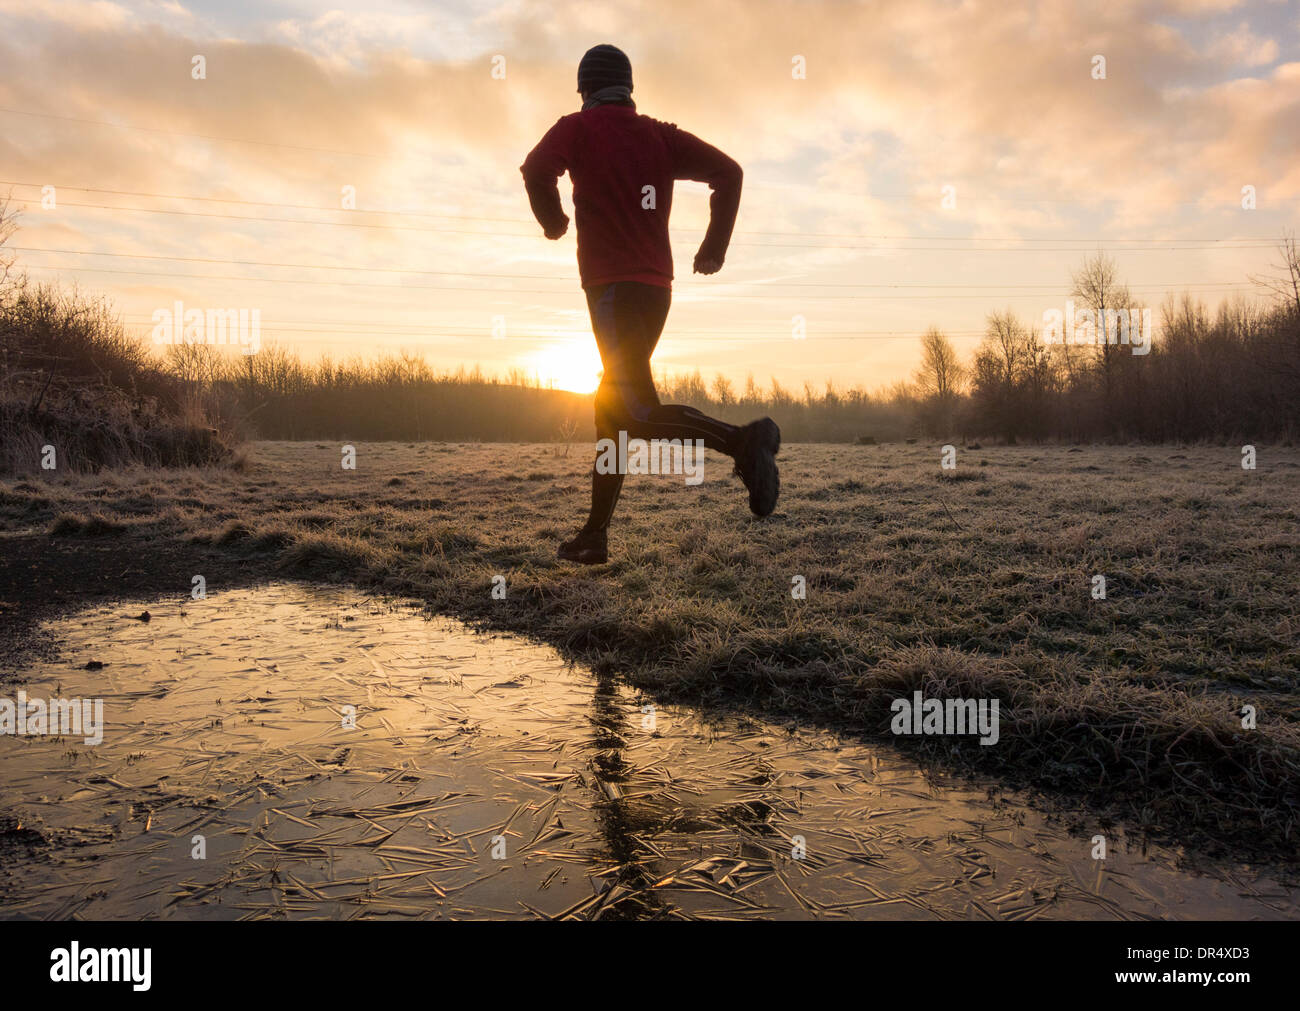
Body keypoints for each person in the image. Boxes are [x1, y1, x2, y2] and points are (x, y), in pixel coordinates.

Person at [521, 43, 781, 565]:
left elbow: (534, 170)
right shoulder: (661, 136)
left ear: (585, 89)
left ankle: (742, 441)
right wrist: (714, 247)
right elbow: (730, 173)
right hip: (655, 291)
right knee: (612, 412)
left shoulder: (576, 128)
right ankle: (594, 537)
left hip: (611, 290)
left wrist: (553, 222)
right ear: (629, 88)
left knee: (634, 410)